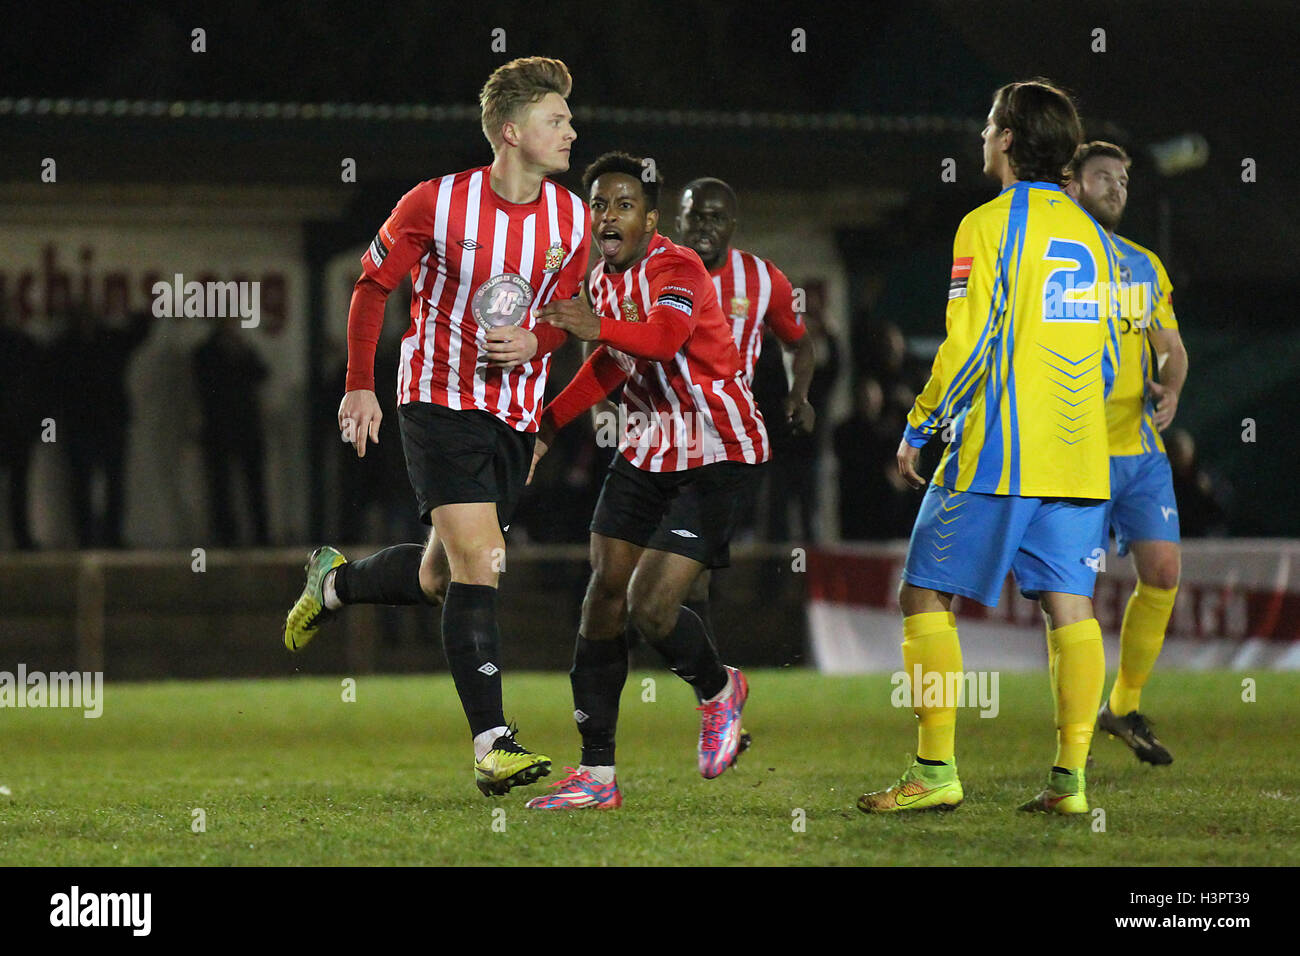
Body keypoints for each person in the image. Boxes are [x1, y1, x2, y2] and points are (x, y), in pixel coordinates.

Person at [282, 56, 591, 798]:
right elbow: (372, 286)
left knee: (438, 576)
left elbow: (571, 314)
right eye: (558, 120)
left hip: (514, 416)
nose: (572, 131)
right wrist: (361, 388)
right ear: (511, 132)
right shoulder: (436, 203)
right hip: (438, 403)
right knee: (482, 560)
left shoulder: (571, 217)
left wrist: (539, 343)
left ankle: (335, 584)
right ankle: (492, 743)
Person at [858, 79, 1121, 816]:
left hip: (1003, 448)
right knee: (1070, 606)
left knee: (921, 591)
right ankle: (1070, 783)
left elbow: (969, 341)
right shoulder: (1095, 237)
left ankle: (934, 769)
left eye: (987, 125)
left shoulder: (988, 224)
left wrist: (922, 423)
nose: (981, 137)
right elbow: (1105, 356)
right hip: (1078, 452)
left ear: (1006, 139)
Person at [522, 152, 767, 810]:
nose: (609, 215)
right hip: (648, 448)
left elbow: (661, 338)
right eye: (599, 204)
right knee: (602, 594)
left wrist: (592, 327)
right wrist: (547, 426)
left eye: (623, 204)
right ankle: (597, 777)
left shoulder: (677, 266)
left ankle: (720, 691)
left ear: (650, 218)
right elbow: (612, 363)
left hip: (716, 450)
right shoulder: (600, 280)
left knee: (651, 608)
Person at [1065, 141, 1190, 766]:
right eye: (1102, 177)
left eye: (1122, 179)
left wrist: (1169, 383)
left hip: (1138, 449)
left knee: (1163, 573)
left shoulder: (1142, 266)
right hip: (1075, 449)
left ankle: (1124, 703)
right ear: (1073, 186)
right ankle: (1076, 728)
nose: (1116, 188)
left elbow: (1171, 346)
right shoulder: (1055, 261)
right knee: (1072, 593)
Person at [672, 177, 814, 638]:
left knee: (693, 570)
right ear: (680, 220)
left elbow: (799, 344)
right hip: (653, 438)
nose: (704, 226)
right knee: (620, 568)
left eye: (716, 217)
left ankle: (707, 684)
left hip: (721, 444)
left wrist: (799, 394)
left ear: (733, 224)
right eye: (696, 216)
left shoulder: (761, 279)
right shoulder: (652, 271)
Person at [194, 319, 271, 546]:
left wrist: (242, 353)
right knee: (221, 487)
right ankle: (226, 536)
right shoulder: (205, 353)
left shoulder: (243, 349)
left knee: (254, 484)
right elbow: (206, 386)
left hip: (246, 426)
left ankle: (260, 535)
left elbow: (261, 373)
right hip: (219, 427)